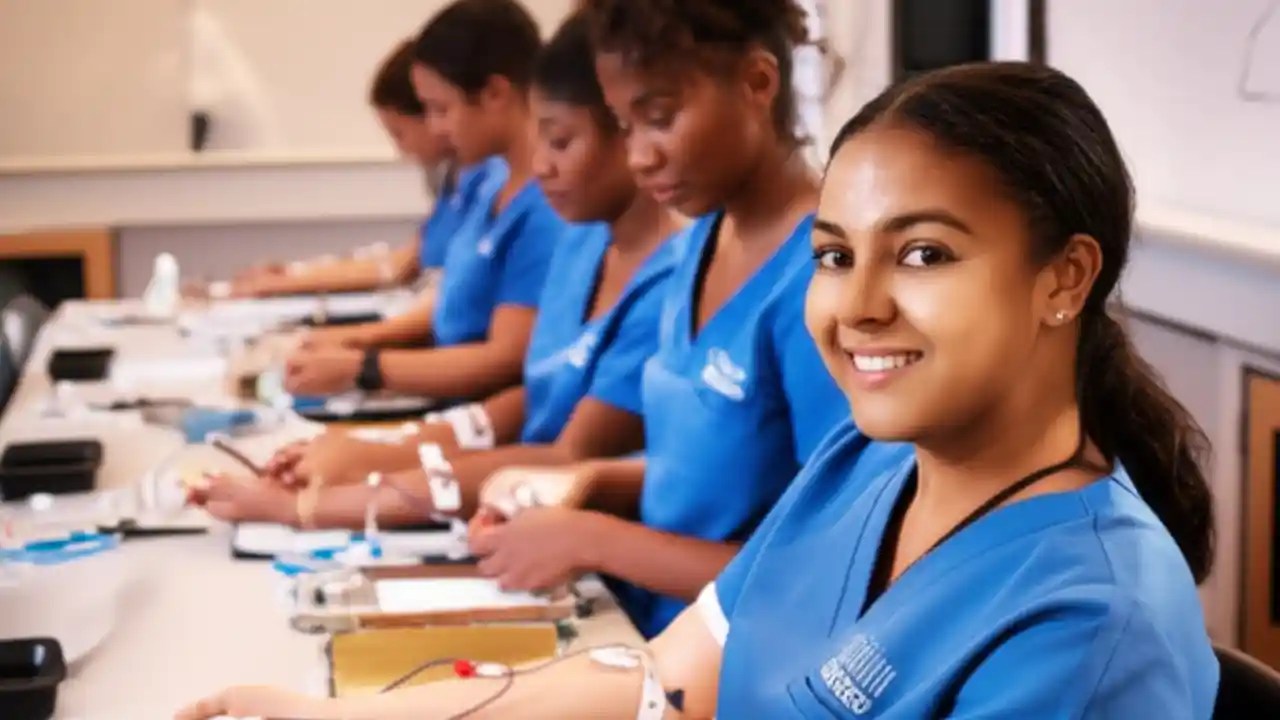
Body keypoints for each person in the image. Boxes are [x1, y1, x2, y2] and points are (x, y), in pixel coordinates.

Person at [176, 61, 1221, 720]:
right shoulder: (861, 466)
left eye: (921, 256)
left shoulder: (1085, 631)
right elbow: (661, 682)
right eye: (829, 254)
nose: (853, 306)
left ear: (1063, 279)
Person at [191, 13, 686, 529]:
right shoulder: (585, 239)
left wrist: (324, 501)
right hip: (509, 500)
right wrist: (386, 448)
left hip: (554, 527)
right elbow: (536, 399)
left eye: (559, 142)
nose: (540, 166)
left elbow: (566, 455)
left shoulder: (661, 278)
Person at [281, 0, 564, 401]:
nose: (434, 127)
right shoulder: (493, 188)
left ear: (495, 93)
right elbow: (452, 312)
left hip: (476, 409)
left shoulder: (545, 206)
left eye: (440, 109)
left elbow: (505, 359)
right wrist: (350, 342)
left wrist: (364, 366)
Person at [229, 39, 459, 299]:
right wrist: (293, 274)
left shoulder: (485, 182)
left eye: (399, 134)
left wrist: (283, 285)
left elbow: (401, 268)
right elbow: (403, 261)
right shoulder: (449, 181)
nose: (400, 151)